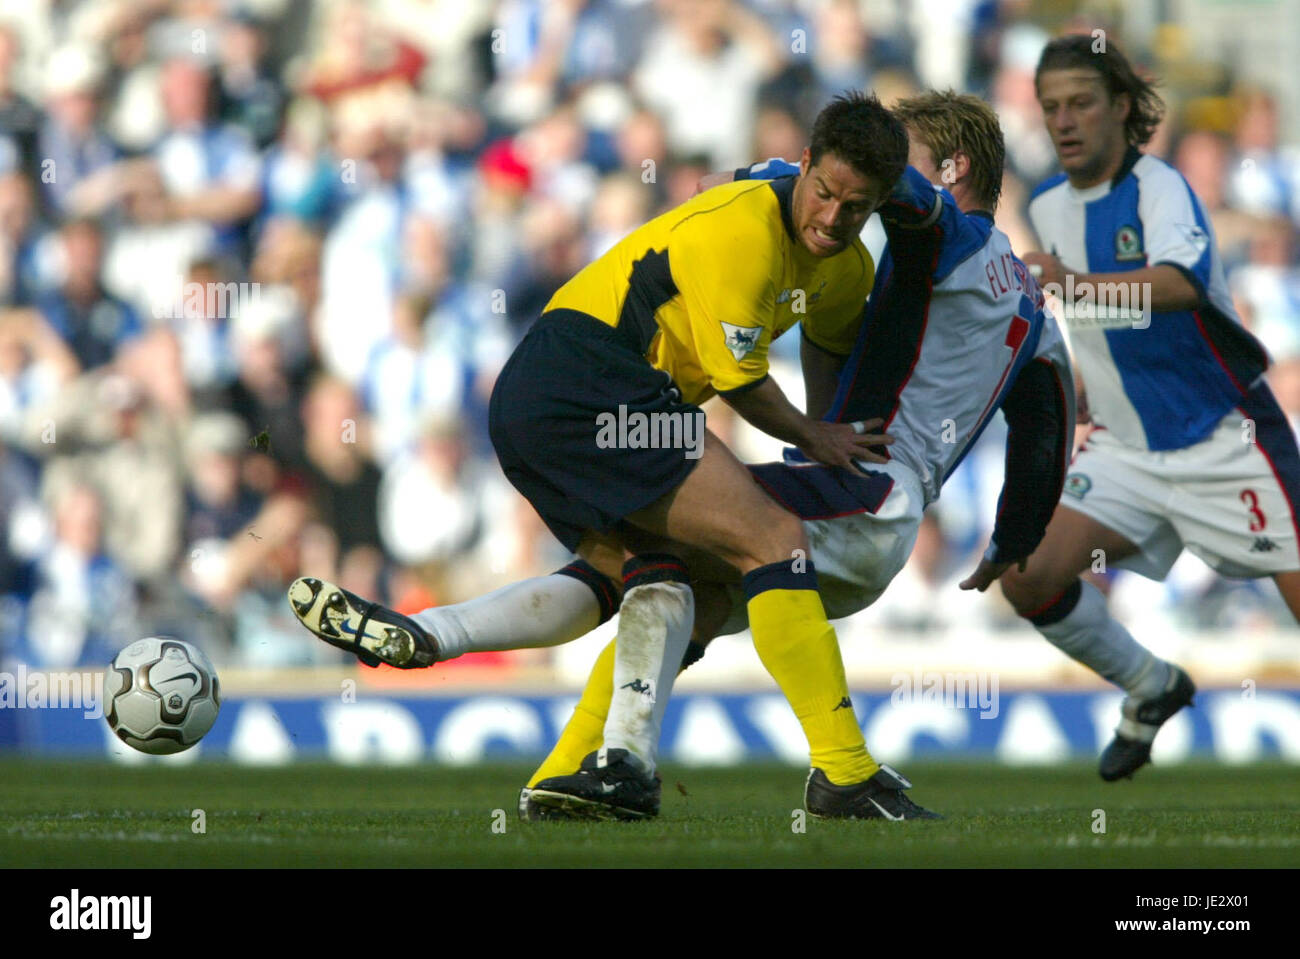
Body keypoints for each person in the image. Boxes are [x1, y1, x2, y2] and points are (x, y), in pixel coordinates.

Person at [292, 93, 929, 820]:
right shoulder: (746, 227)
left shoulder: (843, 269)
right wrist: (818, 439)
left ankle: (444, 648)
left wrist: (829, 425)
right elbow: (743, 384)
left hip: (540, 398)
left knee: (650, 571)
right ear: (806, 165)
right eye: (824, 194)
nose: (832, 219)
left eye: (856, 207)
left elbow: (827, 349)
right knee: (771, 541)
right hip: (589, 376)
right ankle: (840, 770)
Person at [526, 91, 1074, 819]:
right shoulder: (1031, 304)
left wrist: (762, 174)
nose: (868, 197)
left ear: (952, 167)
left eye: (893, 158)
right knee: (688, 584)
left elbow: (896, 190)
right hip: (881, 511)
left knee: (649, 549)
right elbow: (1046, 428)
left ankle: (843, 772)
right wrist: (1015, 540)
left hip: (861, 484)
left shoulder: (941, 235)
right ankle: (569, 773)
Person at [1001, 35, 1300, 781]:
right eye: (1051, 108)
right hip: (1127, 449)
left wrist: (1073, 281)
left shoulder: (1161, 189)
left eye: (1081, 103)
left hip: (1224, 437)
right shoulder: (1046, 206)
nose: (1063, 122)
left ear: (1123, 109)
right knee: (1029, 574)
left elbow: (1179, 286)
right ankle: (1151, 685)